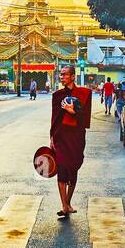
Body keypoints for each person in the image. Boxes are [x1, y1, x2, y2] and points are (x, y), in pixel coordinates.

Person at [49, 65, 91, 220]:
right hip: (61, 136)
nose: (62, 77)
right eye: (60, 75)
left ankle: (68, 202)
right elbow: (54, 118)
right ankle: (64, 205)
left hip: (76, 136)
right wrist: (52, 138)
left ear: (73, 76)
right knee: (62, 167)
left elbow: (85, 118)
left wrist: (72, 112)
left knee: (73, 168)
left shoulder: (84, 94)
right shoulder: (57, 95)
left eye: (65, 75)